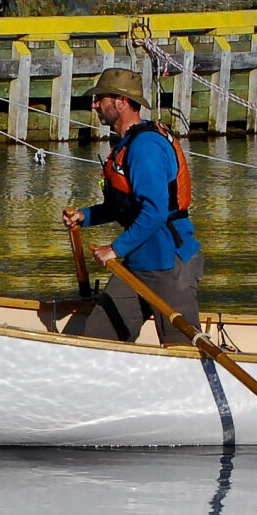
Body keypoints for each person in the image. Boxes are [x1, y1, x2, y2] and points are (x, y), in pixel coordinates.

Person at [62, 67, 203, 345]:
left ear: (121, 102)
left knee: (182, 350)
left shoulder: (145, 147)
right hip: (138, 263)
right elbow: (123, 207)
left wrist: (115, 249)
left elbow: (155, 211)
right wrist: (85, 217)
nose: (94, 105)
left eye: (100, 99)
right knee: (98, 341)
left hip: (168, 264)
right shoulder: (128, 144)